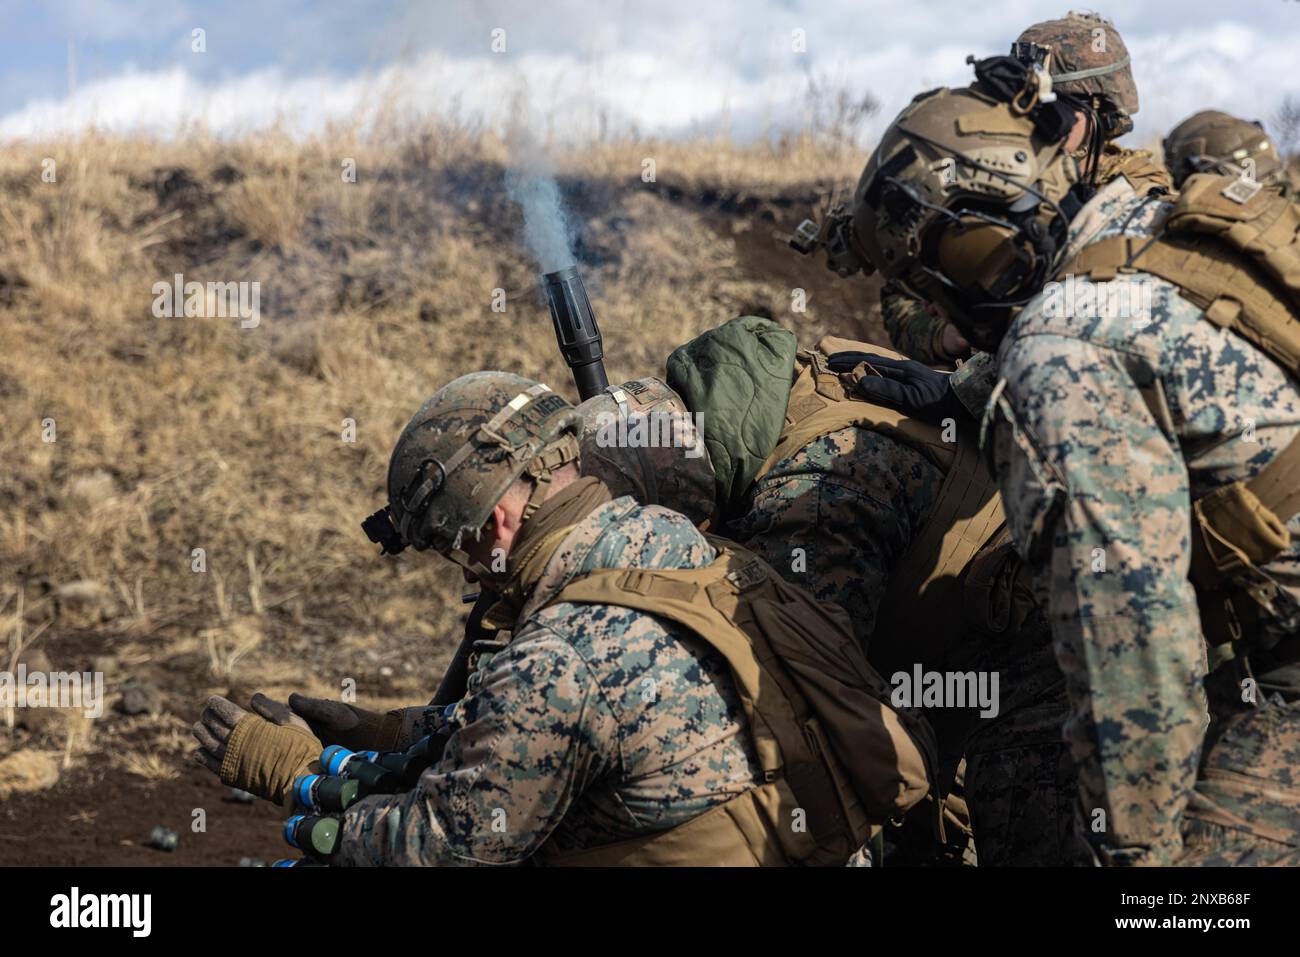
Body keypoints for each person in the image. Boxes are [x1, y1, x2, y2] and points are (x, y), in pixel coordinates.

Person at [847, 60, 1300, 865]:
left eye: (933, 269)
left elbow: (1133, 656)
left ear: (981, 231)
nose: (939, 302)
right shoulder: (1163, 225)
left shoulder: (1057, 349)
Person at [196, 371, 934, 865]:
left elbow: (447, 846)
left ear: (494, 522)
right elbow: (562, 730)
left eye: (454, 550)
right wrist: (396, 733)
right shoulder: (687, 547)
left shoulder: (559, 657)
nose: (466, 573)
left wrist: (300, 781)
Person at [880, 11, 1170, 367]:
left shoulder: (1140, 201)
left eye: (1049, 106)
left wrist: (969, 383)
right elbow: (903, 289)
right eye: (1019, 102)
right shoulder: (994, 173)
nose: (1029, 118)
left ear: (1099, 113)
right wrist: (943, 336)